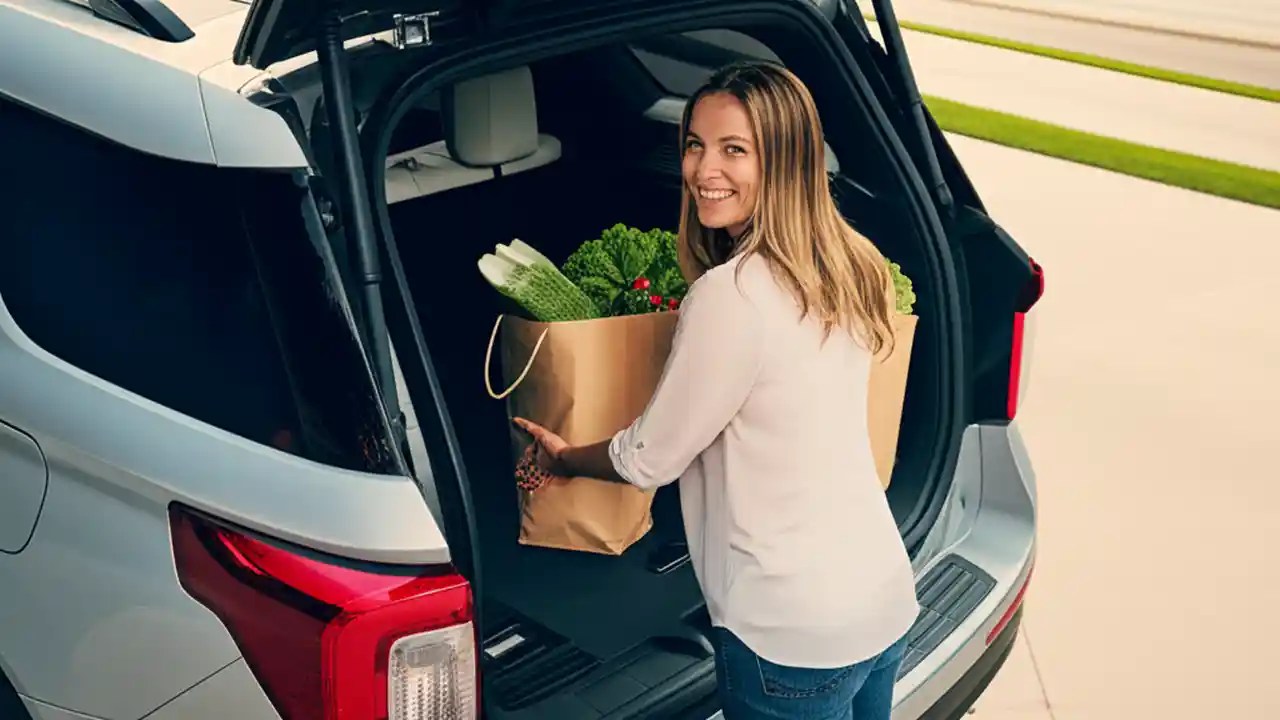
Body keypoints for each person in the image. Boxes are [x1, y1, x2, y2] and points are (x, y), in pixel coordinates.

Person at [514, 61, 919, 720]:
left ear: (785, 162)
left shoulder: (731, 297)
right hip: (880, 597)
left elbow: (650, 458)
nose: (703, 170)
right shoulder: (852, 262)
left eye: (735, 150)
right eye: (696, 144)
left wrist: (563, 457)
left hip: (789, 633)